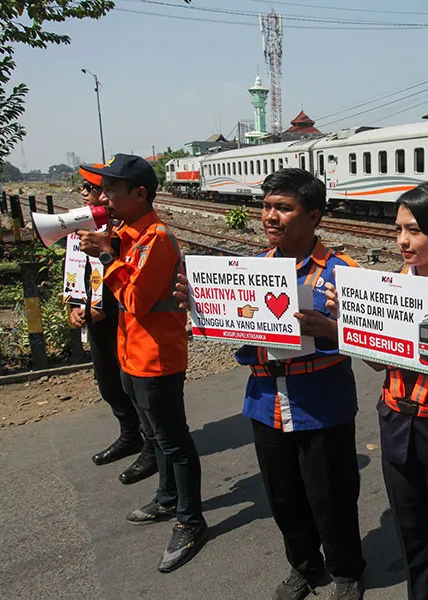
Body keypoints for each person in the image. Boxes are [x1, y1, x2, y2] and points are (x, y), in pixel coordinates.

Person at [174, 168, 366, 600]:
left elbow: (375, 343)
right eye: (266, 207)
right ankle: (303, 566)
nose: (270, 216)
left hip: (323, 404)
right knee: (283, 497)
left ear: (314, 215)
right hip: (265, 402)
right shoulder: (250, 270)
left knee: (331, 497)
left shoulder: (344, 273)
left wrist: (332, 329)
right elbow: (232, 326)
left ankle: (346, 572)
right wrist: (201, 311)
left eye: (283, 207)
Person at [326, 182, 428, 600]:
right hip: (397, 425)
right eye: (398, 229)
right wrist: (353, 325)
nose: (402, 241)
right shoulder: (390, 287)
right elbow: (380, 363)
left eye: (414, 230)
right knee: (412, 536)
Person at [78, 154, 207, 574]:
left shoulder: (155, 238)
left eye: (112, 190)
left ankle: (191, 521)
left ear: (139, 193)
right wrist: (110, 247)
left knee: (173, 441)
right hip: (132, 355)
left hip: (157, 359)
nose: (104, 197)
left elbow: (135, 300)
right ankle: (168, 498)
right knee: (154, 435)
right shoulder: (127, 234)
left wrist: (106, 256)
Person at [70, 165, 158, 485]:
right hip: (98, 318)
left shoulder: (128, 231)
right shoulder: (91, 228)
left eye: (92, 188)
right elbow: (80, 270)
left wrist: (102, 306)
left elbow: (130, 281)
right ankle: (130, 434)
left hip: (121, 318)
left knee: (136, 389)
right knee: (109, 382)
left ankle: (151, 445)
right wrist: (77, 304)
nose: (90, 194)